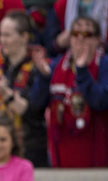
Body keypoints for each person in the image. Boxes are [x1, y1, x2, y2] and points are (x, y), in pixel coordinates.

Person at [0, 10, 51, 167]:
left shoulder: (37, 68)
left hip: (29, 151)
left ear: (24, 37)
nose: (2, 40)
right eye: (1, 35)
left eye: (8, 35)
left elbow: (34, 111)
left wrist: (5, 93)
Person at [42, 15, 108, 167]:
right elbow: (38, 105)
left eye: (87, 34)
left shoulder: (104, 65)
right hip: (63, 147)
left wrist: (83, 71)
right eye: (76, 33)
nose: (81, 38)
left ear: (98, 39)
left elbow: (100, 101)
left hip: (96, 149)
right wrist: (43, 78)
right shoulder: (57, 64)